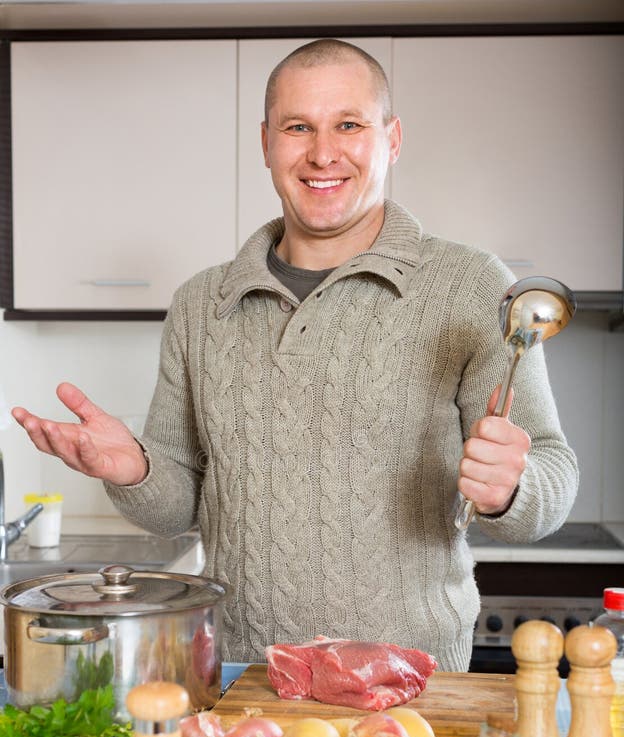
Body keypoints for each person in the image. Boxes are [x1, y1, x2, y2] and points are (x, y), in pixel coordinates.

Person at [12, 39, 578, 671]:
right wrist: (135, 470)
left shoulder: (471, 287)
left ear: (391, 139)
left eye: (349, 125)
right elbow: (178, 508)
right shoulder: (202, 304)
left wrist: (511, 490)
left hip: (409, 680)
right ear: (265, 143)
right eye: (298, 127)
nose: (323, 153)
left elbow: (552, 471)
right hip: (242, 676)